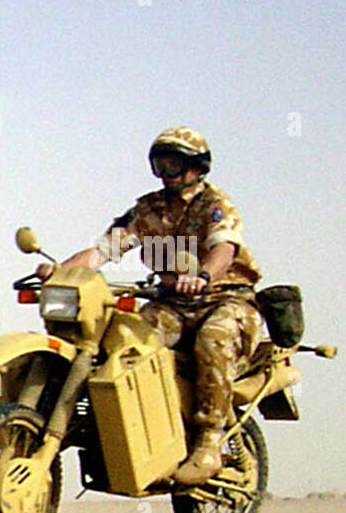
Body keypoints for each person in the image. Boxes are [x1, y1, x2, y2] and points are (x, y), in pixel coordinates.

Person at [38, 127, 263, 485]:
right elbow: (103, 250)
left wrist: (203, 276)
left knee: (213, 338)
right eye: (160, 164)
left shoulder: (216, 205)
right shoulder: (149, 209)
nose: (165, 172)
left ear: (196, 167)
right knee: (125, 341)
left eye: (173, 163)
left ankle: (208, 443)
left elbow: (224, 249)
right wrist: (61, 271)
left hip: (226, 300)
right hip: (171, 303)